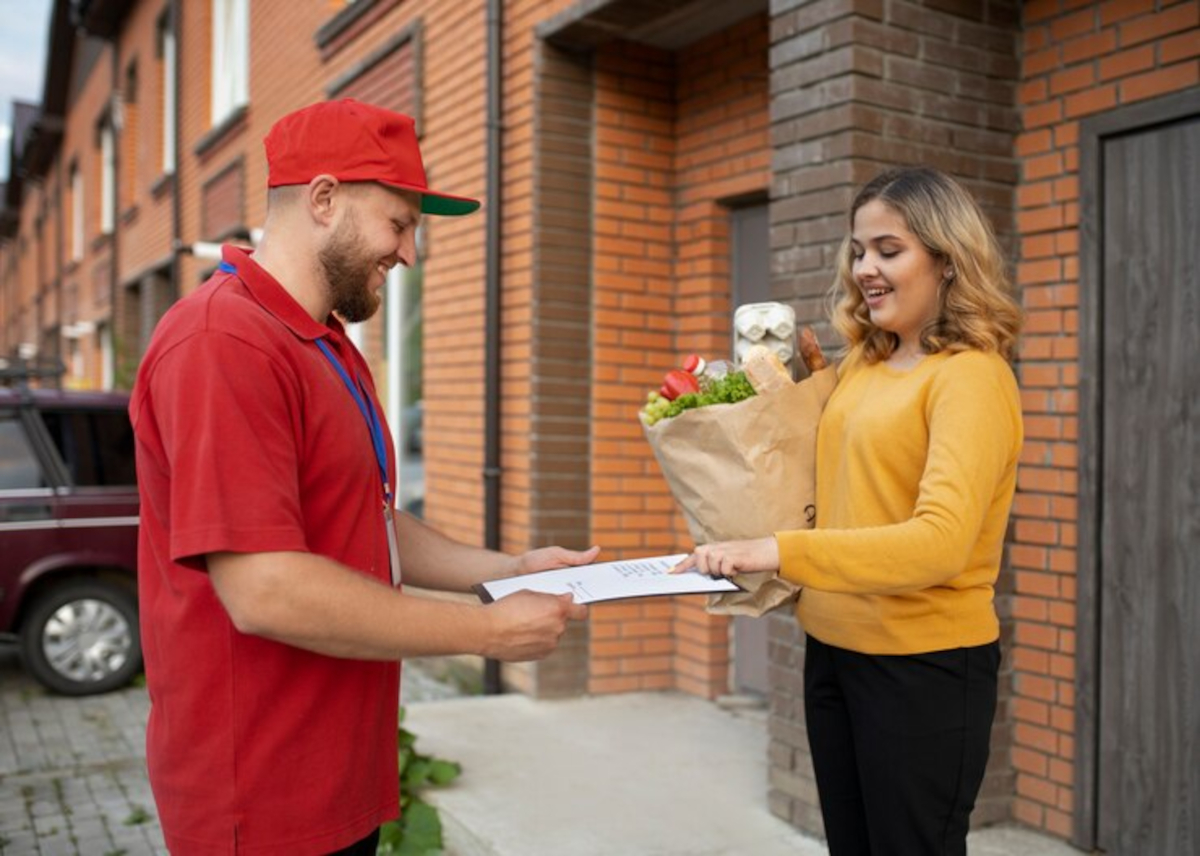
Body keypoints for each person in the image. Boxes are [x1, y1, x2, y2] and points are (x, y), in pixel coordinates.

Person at [130, 99, 595, 856]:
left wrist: (507, 572)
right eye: (399, 224)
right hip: (260, 795)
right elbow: (264, 588)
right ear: (323, 198)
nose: (410, 252)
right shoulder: (224, 341)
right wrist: (487, 631)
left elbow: (364, 516)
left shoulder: (327, 344)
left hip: (335, 776)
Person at [674, 166, 1023, 855]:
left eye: (889, 250)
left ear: (947, 260)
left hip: (922, 666)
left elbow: (940, 543)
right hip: (833, 651)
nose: (866, 268)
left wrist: (777, 551)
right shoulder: (864, 363)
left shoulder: (971, 377)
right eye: (859, 250)